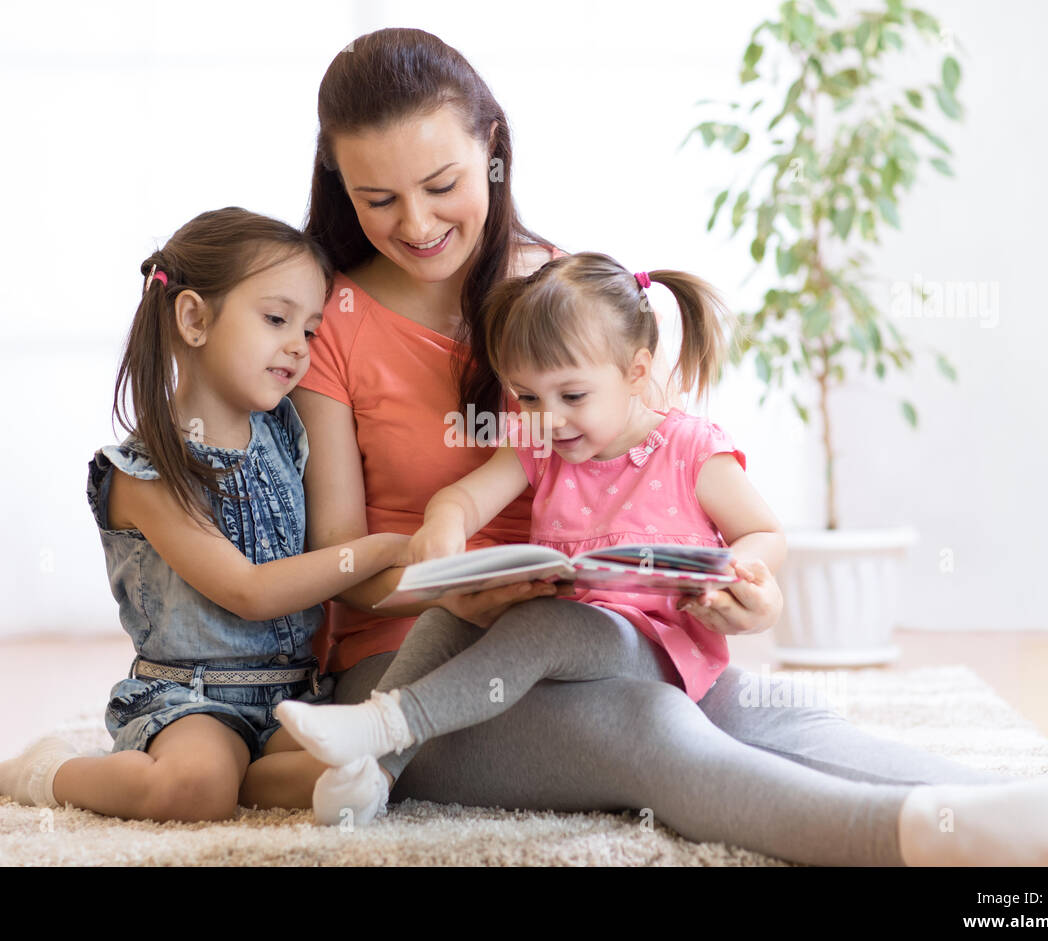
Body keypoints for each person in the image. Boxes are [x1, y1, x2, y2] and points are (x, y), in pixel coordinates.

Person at [282, 27, 1048, 865]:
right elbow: (341, 563)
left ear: (493, 151)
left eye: (441, 184)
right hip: (412, 667)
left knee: (763, 711)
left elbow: (668, 466)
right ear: (341, 187)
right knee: (653, 730)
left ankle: (1042, 815)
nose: (418, 222)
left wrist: (750, 590)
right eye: (378, 199)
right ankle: (939, 845)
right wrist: (440, 578)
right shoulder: (336, 324)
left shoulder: (564, 295)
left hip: (609, 625)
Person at [277, 251, 787, 819]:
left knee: (547, 623)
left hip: (658, 650)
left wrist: (742, 576)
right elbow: (464, 497)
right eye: (526, 398)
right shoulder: (541, 446)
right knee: (450, 615)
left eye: (572, 397)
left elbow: (763, 531)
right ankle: (375, 774)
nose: (550, 419)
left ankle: (384, 722)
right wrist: (445, 529)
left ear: (636, 373)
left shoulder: (691, 449)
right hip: (569, 637)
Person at [0, 207, 408, 822]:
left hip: (292, 690)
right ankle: (52, 770)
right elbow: (249, 591)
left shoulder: (285, 433)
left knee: (374, 754)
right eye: (275, 319)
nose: (298, 346)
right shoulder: (145, 473)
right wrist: (383, 547)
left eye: (311, 331)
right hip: (191, 699)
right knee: (196, 792)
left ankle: (252, 772)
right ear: (193, 318)